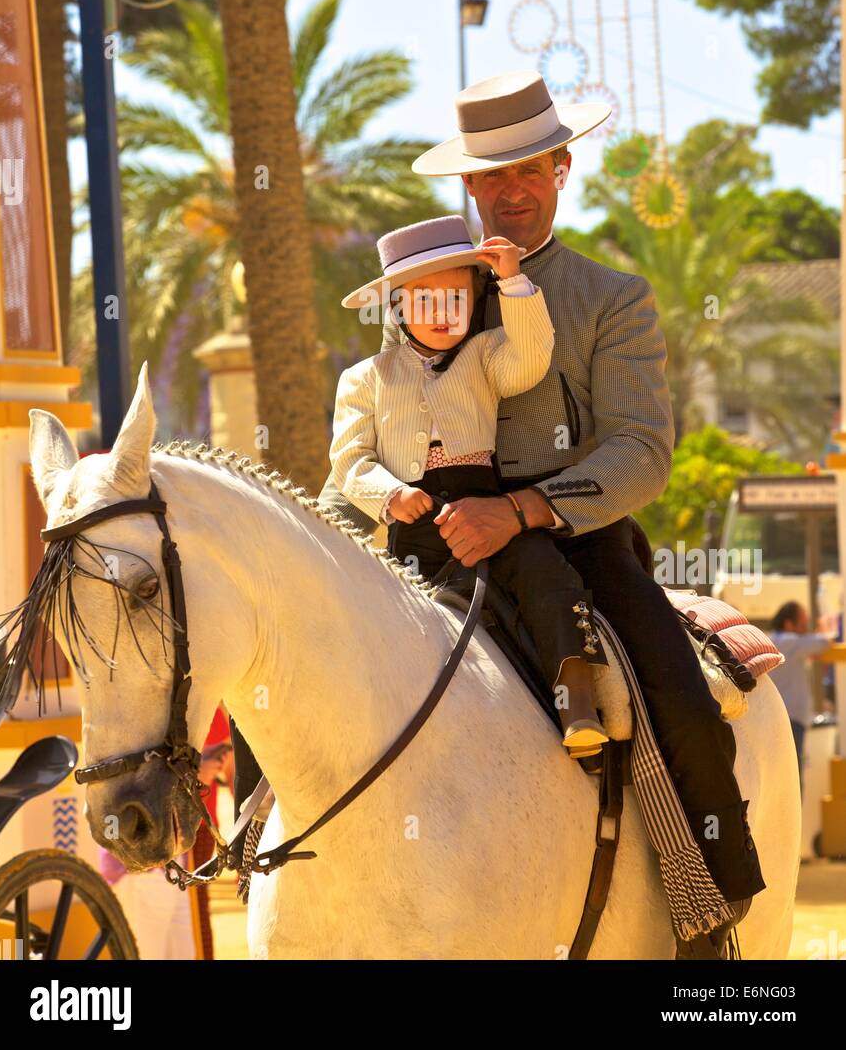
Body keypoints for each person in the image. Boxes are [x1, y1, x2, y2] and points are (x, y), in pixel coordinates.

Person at [314, 69, 765, 957]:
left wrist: (521, 510)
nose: (511, 190)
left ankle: (705, 912)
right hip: (422, 547)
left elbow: (641, 452)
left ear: (564, 168)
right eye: (492, 175)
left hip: (581, 549)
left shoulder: (614, 300)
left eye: (531, 169)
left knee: (674, 694)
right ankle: (258, 851)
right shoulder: (420, 290)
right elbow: (365, 438)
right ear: (469, 187)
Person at [329, 215, 609, 756]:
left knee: (544, 569)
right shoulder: (364, 378)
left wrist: (514, 284)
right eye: (424, 300)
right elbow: (349, 459)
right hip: (413, 522)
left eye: (455, 300)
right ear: (397, 308)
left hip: (486, 506)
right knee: (381, 608)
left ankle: (577, 699)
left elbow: (530, 359)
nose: (441, 314)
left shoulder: (484, 357)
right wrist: (388, 495)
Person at [768, 601, 834, 782]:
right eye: (803, 624)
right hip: (792, 719)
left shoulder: (775, 640)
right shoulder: (789, 641)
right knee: (794, 778)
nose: (806, 629)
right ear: (789, 624)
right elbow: (823, 642)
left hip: (778, 717)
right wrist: (824, 627)